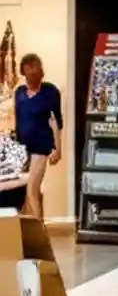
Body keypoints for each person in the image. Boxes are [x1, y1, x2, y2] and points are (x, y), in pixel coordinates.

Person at [14, 54, 62, 220]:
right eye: (29, 73)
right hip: (22, 148)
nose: (33, 76)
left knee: (32, 189)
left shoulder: (50, 91)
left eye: (37, 71)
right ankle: (33, 229)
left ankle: (37, 233)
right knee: (28, 192)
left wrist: (57, 148)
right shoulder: (19, 93)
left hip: (41, 147)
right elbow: (18, 119)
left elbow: (56, 121)